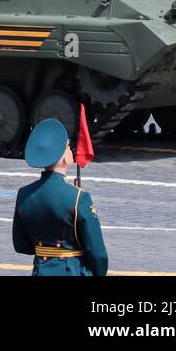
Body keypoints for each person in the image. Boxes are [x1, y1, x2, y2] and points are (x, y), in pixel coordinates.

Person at [11, 118, 108, 277]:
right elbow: (97, 252)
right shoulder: (78, 198)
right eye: (69, 147)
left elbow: (21, 245)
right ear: (64, 158)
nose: (72, 150)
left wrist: (46, 248)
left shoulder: (24, 194)